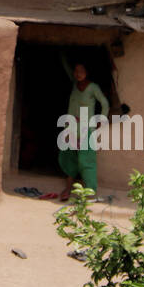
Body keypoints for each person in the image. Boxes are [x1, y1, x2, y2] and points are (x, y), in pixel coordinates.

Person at [57, 60, 109, 200]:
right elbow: (66, 66)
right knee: (69, 158)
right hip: (71, 127)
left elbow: (105, 104)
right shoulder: (74, 85)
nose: (78, 74)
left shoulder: (93, 88)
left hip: (87, 129)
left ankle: (90, 192)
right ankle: (68, 189)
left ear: (87, 72)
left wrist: (101, 122)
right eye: (76, 71)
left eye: (81, 71)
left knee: (86, 161)